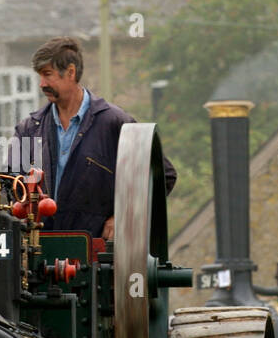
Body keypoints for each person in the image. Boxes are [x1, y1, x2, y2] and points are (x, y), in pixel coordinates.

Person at [13, 37, 176, 240]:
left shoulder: (115, 123)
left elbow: (163, 177)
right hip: (40, 252)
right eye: (40, 76)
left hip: (96, 255)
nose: (42, 84)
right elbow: (11, 185)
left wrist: (122, 217)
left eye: (47, 75)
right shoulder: (29, 129)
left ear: (71, 72)